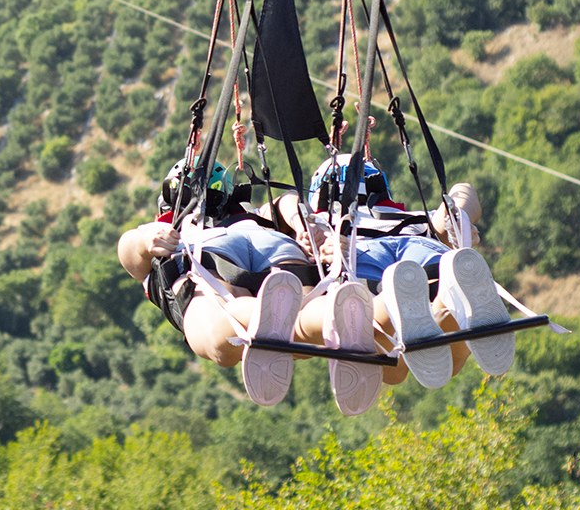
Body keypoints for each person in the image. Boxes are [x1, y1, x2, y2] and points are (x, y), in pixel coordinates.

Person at [118, 157, 453, 415]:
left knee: (218, 329)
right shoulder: (257, 214)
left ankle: (260, 316)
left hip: (207, 252)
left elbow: (129, 249)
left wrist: (148, 239)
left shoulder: (168, 230)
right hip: (275, 244)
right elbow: (286, 201)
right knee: (306, 312)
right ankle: (368, 311)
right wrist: (300, 222)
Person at [277, 155, 514, 389]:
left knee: (381, 344)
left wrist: (302, 224)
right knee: (447, 353)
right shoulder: (413, 217)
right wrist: (459, 215)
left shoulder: (321, 223)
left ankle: (395, 302)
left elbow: (285, 200)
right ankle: (449, 297)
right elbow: (464, 190)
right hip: (421, 247)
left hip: (357, 252)